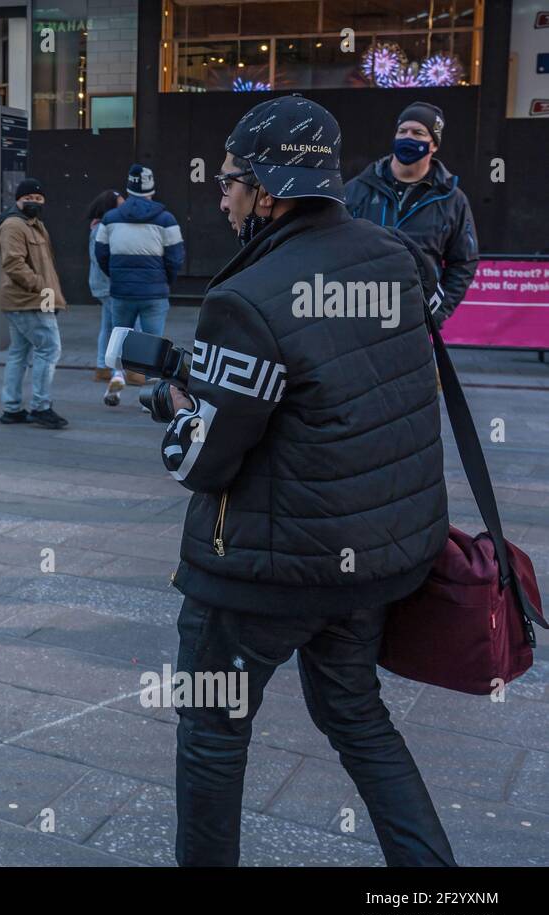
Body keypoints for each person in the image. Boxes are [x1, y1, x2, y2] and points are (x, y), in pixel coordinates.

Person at [159, 94, 454, 867]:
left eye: (229, 181)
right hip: (374, 561)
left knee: (213, 736)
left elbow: (203, 463)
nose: (221, 197)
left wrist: (178, 413)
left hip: (264, 575)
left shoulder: (244, 297)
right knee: (359, 719)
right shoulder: (395, 259)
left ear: (268, 188)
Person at [345, 101, 478, 325]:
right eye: (402, 131)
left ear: (433, 144)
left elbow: (464, 262)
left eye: (418, 132)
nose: (408, 137)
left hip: (415, 321)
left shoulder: (453, 200)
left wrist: (438, 312)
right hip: (358, 315)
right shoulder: (356, 190)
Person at [95, 164, 184, 409]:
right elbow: (176, 257)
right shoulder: (166, 219)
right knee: (154, 344)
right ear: (151, 189)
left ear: (129, 187)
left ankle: (116, 377)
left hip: (122, 291)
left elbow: (101, 253)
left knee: (120, 337)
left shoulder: (110, 218)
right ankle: (149, 398)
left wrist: (115, 276)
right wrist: (164, 280)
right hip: (154, 293)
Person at [0, 177, 68, 429]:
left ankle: (12, 408)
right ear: (18, 200)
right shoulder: (14, 225)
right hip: (28, 299)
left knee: (20, 352)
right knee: (49, 349)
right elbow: (13, 263)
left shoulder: (33, 224)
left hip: (33, 298)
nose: (34, 202)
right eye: (29, 198)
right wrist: (40, 285)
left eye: (38, 198)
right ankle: (40, 406)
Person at [85, 188, 123, 404]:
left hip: (102, 285)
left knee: (108, 325)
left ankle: (102, 367)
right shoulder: (100, 228)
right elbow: (98, 258)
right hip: (106, 285)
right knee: (120, 326)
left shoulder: (99, 226)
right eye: (120, 204)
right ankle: (118, 370)